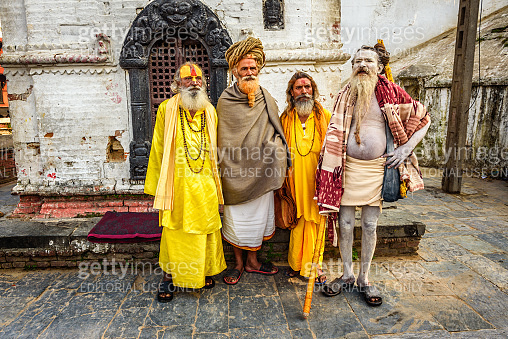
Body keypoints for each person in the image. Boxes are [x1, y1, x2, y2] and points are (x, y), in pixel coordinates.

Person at [316, 45, 430, 306]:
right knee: (344, 224)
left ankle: (364, 278)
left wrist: (406, 148)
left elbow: (424, 119)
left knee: (369, 225)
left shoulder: (392, 93)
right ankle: (347, 274)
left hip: (376, 169)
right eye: (357, 61)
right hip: (345, 169)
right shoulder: (344, 95)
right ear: (352, 67)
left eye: (368, 61)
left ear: (379, 68)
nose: (362, 65)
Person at [144, 62, 226, 302]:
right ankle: (170, 277)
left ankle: (203, 271)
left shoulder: (209, 110)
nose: (194, 83)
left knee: (205, 229)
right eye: (188, 79)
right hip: (177, 183)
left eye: (198, 79)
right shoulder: (167, 109)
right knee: (175, 231)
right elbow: (159, 146)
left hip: (204, 182)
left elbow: (218, 147)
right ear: (177, 84)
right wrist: (158, 185)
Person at [217, 37, 291, 285]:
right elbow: (223, 139)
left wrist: (275, 151)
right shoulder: (225, 100)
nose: (249, 73)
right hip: (233, 173)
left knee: (257, 221)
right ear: (235, 71)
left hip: (262, 172)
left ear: (258, 70)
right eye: (244, 68)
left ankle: (253, 262)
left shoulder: (266, 97)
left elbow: (277, 130)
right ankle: (238, 264)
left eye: (253, 68)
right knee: (237, 221)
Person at [278, 72, 331, 284]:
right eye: (298, 88)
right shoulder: (285, 118)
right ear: (292, 92)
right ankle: (297, 264)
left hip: (317, 180)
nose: (304, 92)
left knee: (315, 221)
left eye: (307, 87)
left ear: (313, 89)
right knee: (297, 218)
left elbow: (334, 149)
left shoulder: (324, 116)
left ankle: (314, 266)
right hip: (293, 179)